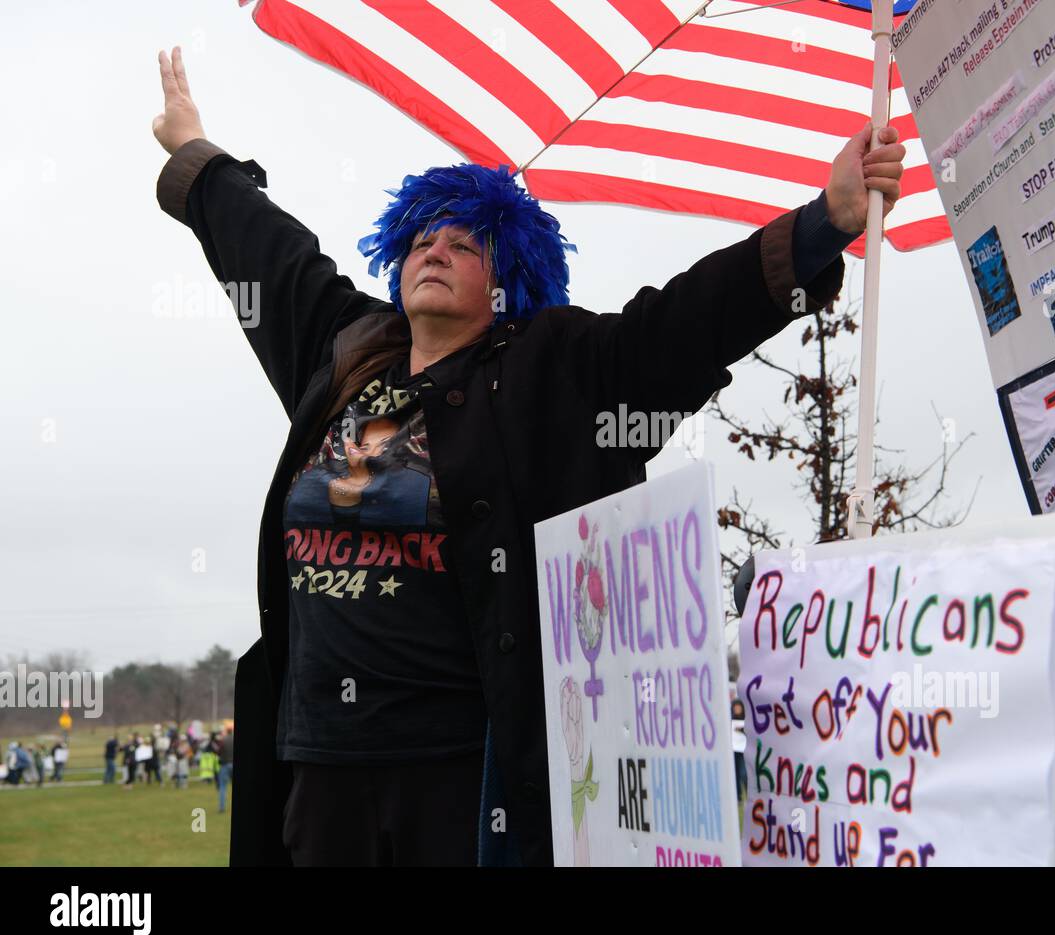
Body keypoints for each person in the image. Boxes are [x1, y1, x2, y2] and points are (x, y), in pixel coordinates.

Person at [152, 44, 905, 866]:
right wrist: (198, 152)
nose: (435, 250)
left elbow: (683, 325)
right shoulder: (343, 351)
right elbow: (271, 253)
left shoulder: (555, 371)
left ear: (509, 273)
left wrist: (820, 227)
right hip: (320, 770)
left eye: (465, 245)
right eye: (422, 239)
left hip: (467, 782)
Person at [215, 724, 234, 813]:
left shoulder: (223, 740)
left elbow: (218, 752)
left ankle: (222, 808)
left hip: (225, 765)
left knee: (223, 787)